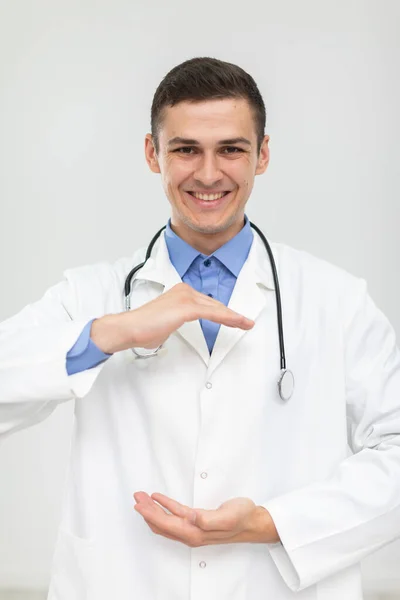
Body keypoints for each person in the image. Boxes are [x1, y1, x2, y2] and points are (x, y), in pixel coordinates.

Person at [1, 56, 400, 600]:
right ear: (152, 154)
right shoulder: (89, 295)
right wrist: (114, 332)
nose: (208, 174)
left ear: (262, 156)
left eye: (231, 149)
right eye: (186, 149)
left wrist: (272, 524)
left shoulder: (337, 300)